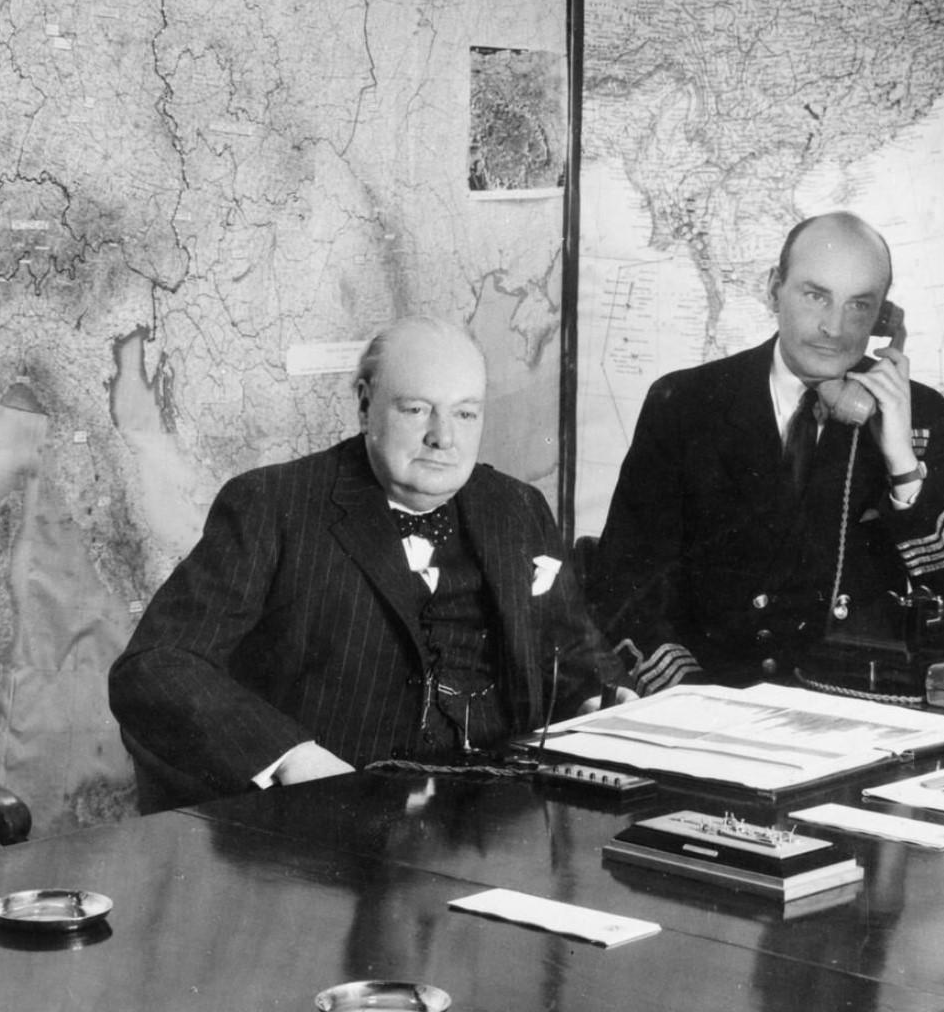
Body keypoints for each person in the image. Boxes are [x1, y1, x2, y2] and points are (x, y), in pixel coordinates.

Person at [111, 318, 626, 811]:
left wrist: (598, 701)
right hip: (332, 826)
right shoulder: (272, 506)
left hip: (498, 817)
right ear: (364, 405)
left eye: (465, 414)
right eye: (417, 410)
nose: (443, 437)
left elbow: (575, 655)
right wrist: (291, 758)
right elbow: (155, 664)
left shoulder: (517, 508)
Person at [587, 211, 944, 693]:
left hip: (857, 708)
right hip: (720, 702)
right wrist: (691, 697)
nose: (834, 328)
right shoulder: (688, 405)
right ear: (773, 289)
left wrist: (903, 468)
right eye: (815, 295)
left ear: (884, 318)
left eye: (859, 306)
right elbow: (623, 585)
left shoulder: (918, 416)